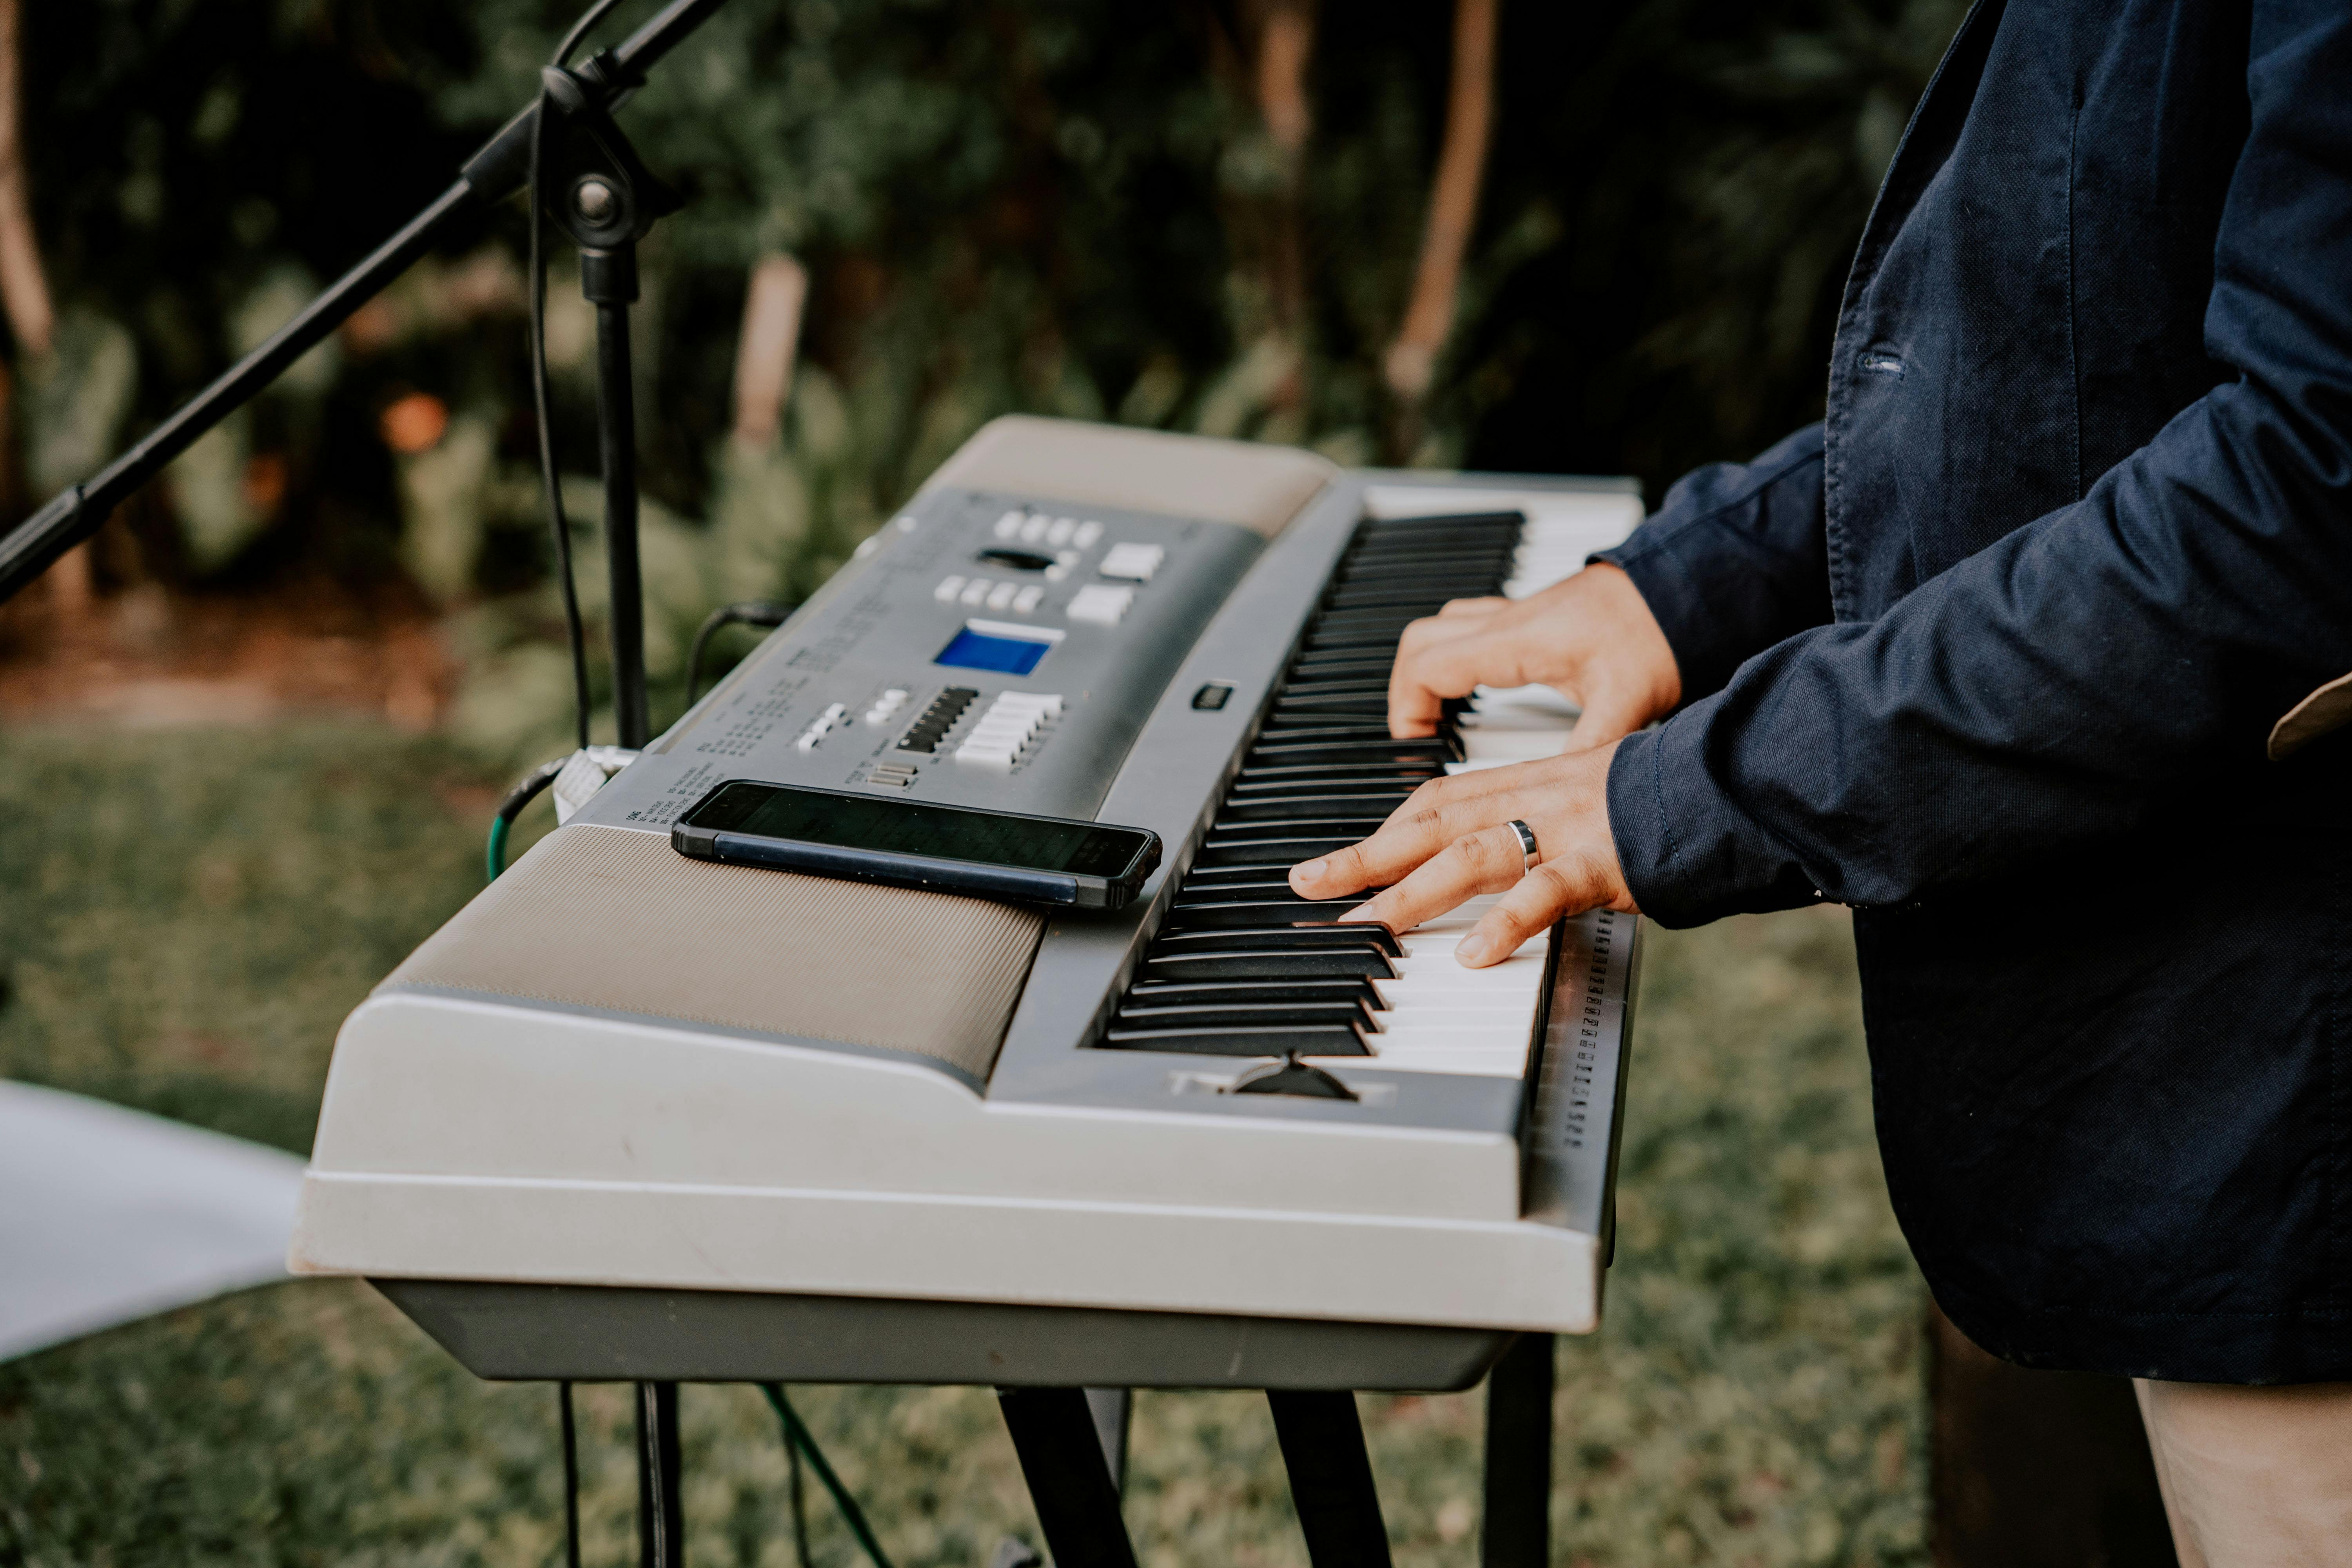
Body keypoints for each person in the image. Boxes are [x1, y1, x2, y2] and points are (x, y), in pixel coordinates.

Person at [1288, 2, 2352, 1561]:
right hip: (2160, 1080)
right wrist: (1686, 587)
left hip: (2288, 1123)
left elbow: (2302, 491)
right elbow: (2072, 370)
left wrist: (1688, 791)